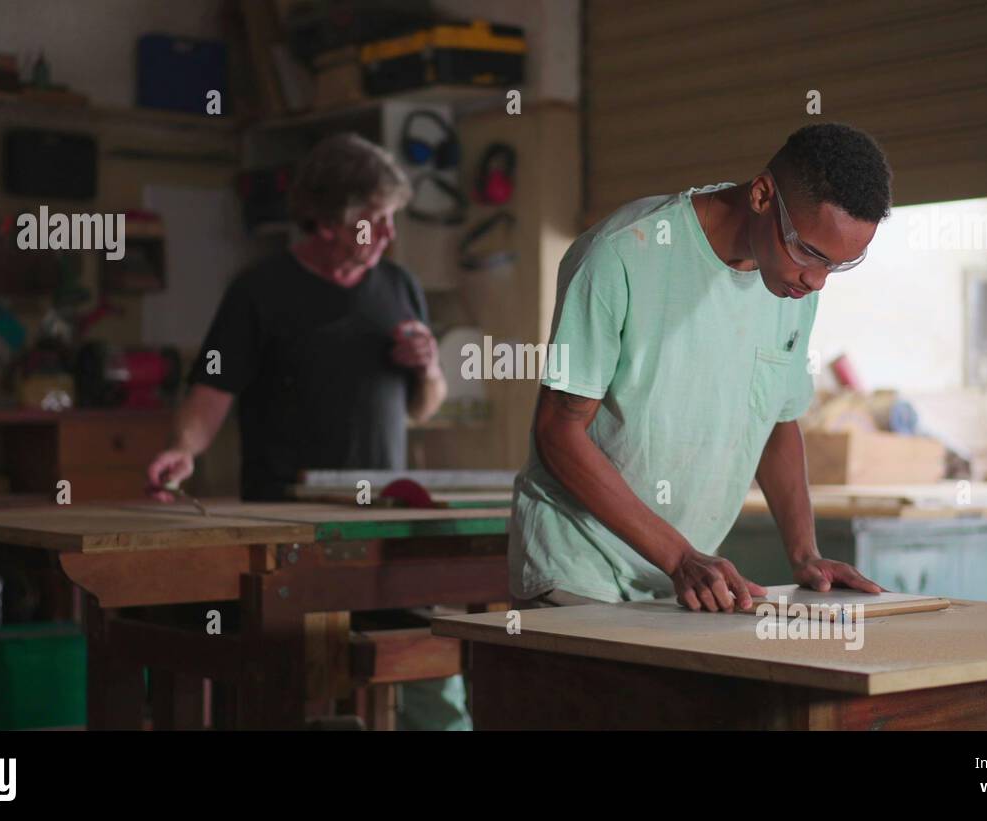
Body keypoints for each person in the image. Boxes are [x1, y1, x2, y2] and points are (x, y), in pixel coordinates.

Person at [146, 132, 467, 729]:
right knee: (287, 683)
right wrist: (181, 451)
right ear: (325, 223)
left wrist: (427, 369)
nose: (391, 236)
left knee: (425, 668)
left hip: (382, 526)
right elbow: (212, 395)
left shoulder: (399, 286)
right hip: (283, 528)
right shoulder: (258, 292)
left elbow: (423, 408)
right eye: (376, 222)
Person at [510, 123, 891, 611]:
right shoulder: (622, 254)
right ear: (761, 195)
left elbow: (775, 420)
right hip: (578, 568)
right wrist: (680, 556)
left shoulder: (792, 285)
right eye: (811, 253)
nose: (818, 281)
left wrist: (805, 554)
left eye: (839, 265)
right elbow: (557, 432)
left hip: (678, 577)